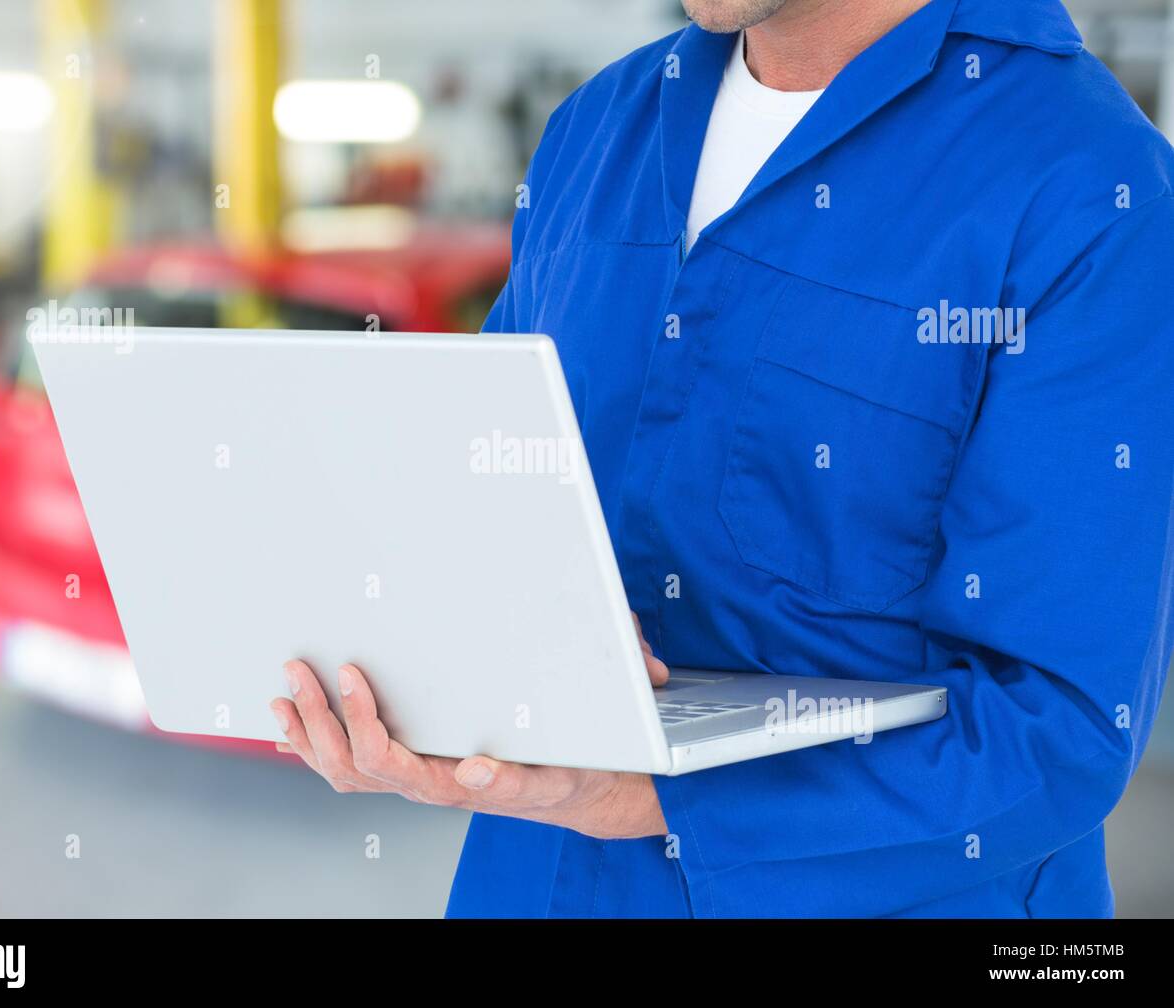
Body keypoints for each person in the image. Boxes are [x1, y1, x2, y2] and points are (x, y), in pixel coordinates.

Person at [270, 0, 1174, 917]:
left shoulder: (1089, 186)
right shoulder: (599, 129)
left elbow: (1061, 728)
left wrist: (659, 799)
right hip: (535, 881)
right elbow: (477, 498)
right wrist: (418, 652)